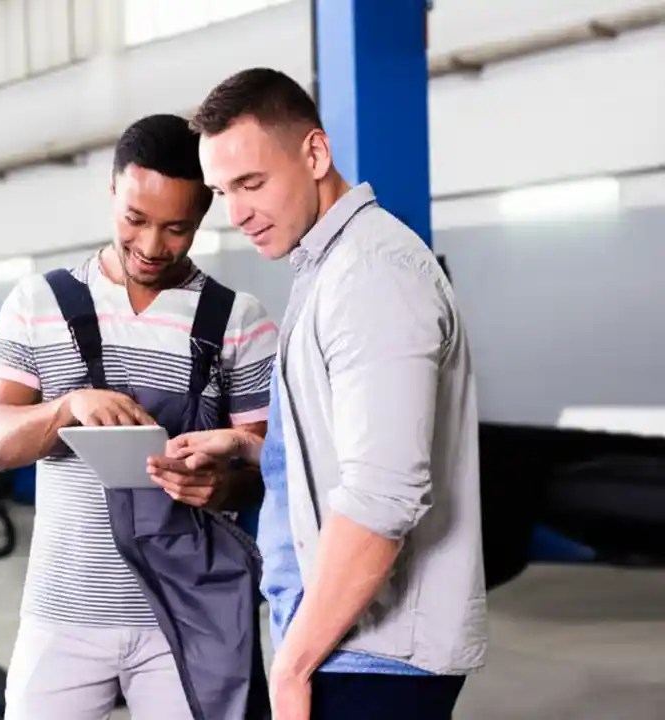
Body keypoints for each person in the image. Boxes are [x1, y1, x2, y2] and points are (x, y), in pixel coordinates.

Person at [172, 67, 486, 719]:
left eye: (252, 183)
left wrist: (293, 666)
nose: (236, 213)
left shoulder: (372, 275)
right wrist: (261, 451)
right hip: (342, 644)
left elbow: (384, 495)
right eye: (222, 191)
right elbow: (354, 447)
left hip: (372, 655)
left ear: (315, 153)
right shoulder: (328, 267)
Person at [0, 114, 278, 719]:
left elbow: (268, 464)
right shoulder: (38, 304)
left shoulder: (239, 321)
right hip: (63, 614)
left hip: (190, 617)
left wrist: (223, 483)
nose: (150, 247)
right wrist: (68, 406)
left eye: (176, 229)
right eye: (135, 220)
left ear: (203, 214)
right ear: (112, 190)